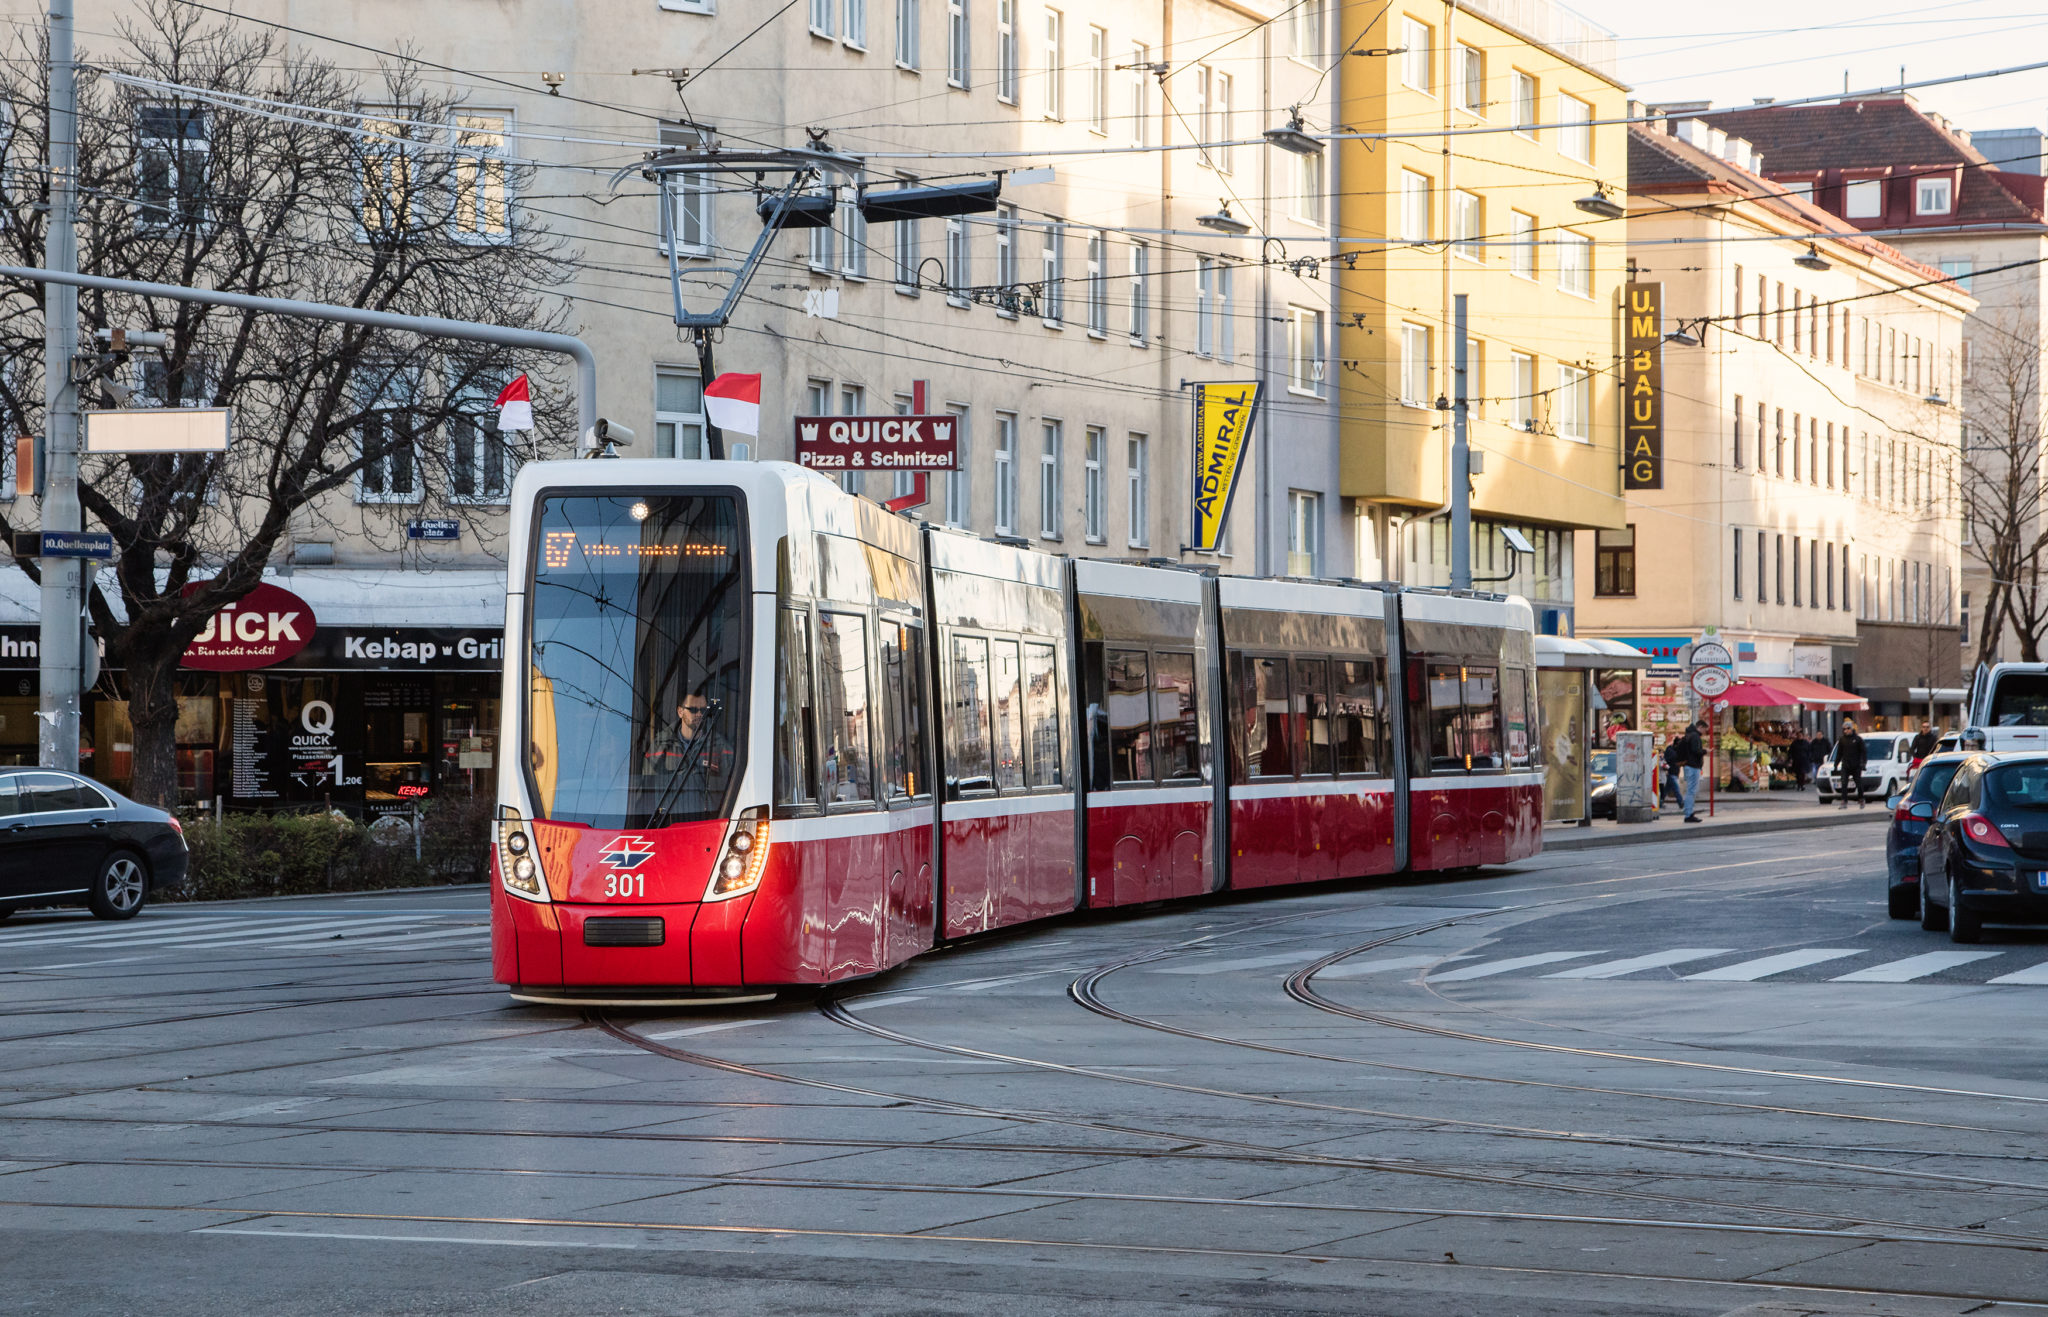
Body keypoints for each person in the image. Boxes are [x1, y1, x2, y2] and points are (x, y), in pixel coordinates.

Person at [643, 690, 734, 793]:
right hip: (669, 807)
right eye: (694, 710)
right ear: (680, 712)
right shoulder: (660, 746)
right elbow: (648, 789)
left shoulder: (721, 747)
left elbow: (731, 787)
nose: (700, 714)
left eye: (703, 710)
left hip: (710, 808)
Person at [1674, 719, 1707, 822]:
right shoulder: (1695, 736)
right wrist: (1705, 751)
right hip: (1693, 766)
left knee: (1690, 790)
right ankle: (1688, 814)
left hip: (1688, 765)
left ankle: (1689, 812)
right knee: (1691, 791)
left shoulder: (1689, 735)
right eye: (1705, 730)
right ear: (1700, 727)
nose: (1705, 732)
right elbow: (1696, 751)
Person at [1832, 719, 1869, 808]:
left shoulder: (1858, 739)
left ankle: (1861, 799)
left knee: (1858, 783)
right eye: (1844, 729)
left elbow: (1863, 752)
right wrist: (1836, 764)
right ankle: (1844, 801)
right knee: (1844, 783)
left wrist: (1863, 763)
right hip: (1846, 765)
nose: (1846, 730)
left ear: (1852, 729)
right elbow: (1839, 753)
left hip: (1856, 765)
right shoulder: (1842, 740)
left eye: (1848, 728)